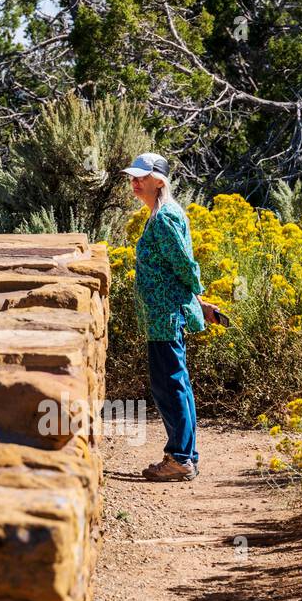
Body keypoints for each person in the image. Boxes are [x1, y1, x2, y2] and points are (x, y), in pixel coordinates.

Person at [122, 152, 205, 482]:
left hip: (166, 316)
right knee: (174, 384)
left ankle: (180, 458)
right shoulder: (161, 214)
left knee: (170, 385)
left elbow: (185, 265)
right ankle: (185, 455)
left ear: (160, 181)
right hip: (162, 315)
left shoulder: (165, 217)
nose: (135, 183)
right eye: (132, 177)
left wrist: (198, 298)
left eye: (141, 178)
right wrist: (200, 302)